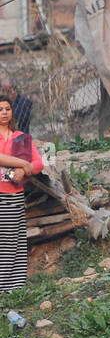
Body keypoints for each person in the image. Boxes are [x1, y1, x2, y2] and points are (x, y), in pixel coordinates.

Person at [0, 97, 43, 294]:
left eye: (8, 108)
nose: (4, 112)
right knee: (5, 243)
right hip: (2, 196)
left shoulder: (20, 137)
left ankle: (15, 287)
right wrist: (21, 164)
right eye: (0, 109)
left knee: (17, 241)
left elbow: (39, 163)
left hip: (16, 195)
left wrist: (26, 170)